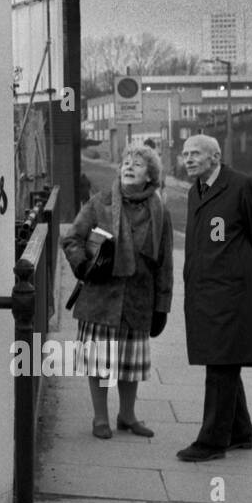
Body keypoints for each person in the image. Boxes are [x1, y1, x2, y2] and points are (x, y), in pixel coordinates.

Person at [61, 146, 173, 439]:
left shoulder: (160, 211)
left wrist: (162, 305)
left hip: (138, 298)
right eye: (126, 162)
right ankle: (100, 418)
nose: (129, 166)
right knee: (98, 361)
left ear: (150, 176)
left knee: (130, 363)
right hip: (101, 296)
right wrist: (83, 266)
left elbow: (164, 262)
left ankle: (127, 415)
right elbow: (72, 237)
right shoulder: (101, 202)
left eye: (137, 164)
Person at [177, 134, 252, 462]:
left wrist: (247, 280)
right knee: (223, 359)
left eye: (196, 154)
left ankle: (212, 442)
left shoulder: (242, 186)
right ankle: (240, 432)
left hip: (233, 294)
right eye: (185, 154)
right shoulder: (195, 191)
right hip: (204, 293)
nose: (188, 159)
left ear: (215, 157)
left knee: (220, 364)